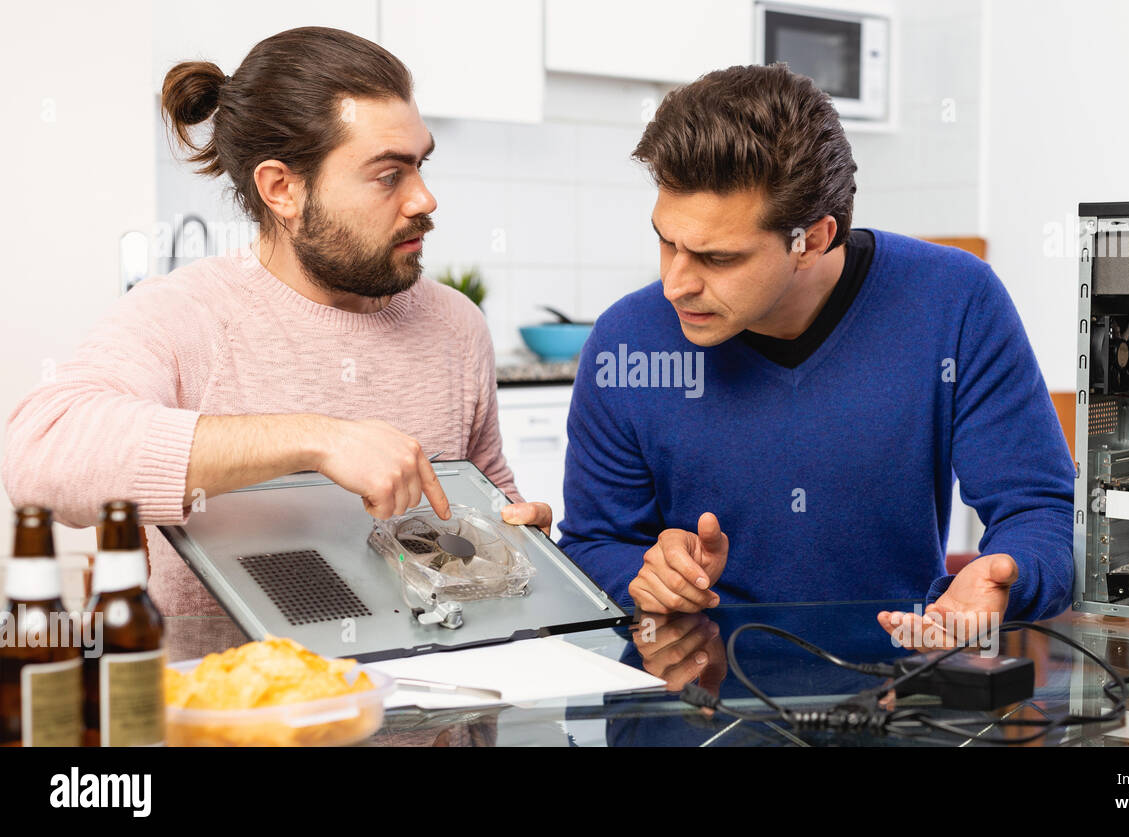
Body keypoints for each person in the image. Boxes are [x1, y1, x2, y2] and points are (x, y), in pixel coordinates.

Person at [1, 27, 550, 617]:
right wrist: (317, 439)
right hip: (236, 702)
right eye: (390, 175)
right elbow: (41, 451)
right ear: (282, 188)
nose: (424, 200)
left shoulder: (456, 326)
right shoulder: (184, 315)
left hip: (435, 700)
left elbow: (487, 508)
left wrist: (521, 536)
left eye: (421, 165)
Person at [556, 64, 1074, 644]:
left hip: (894, 698)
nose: (676, 282)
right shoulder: (625, 341)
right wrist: (644, 579)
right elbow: (591, 546)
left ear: (815, 239)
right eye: (665, 241)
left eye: (718, 258)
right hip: (694, 706)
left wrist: (1006, 578)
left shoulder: (955, 301)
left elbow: (1042, 511)